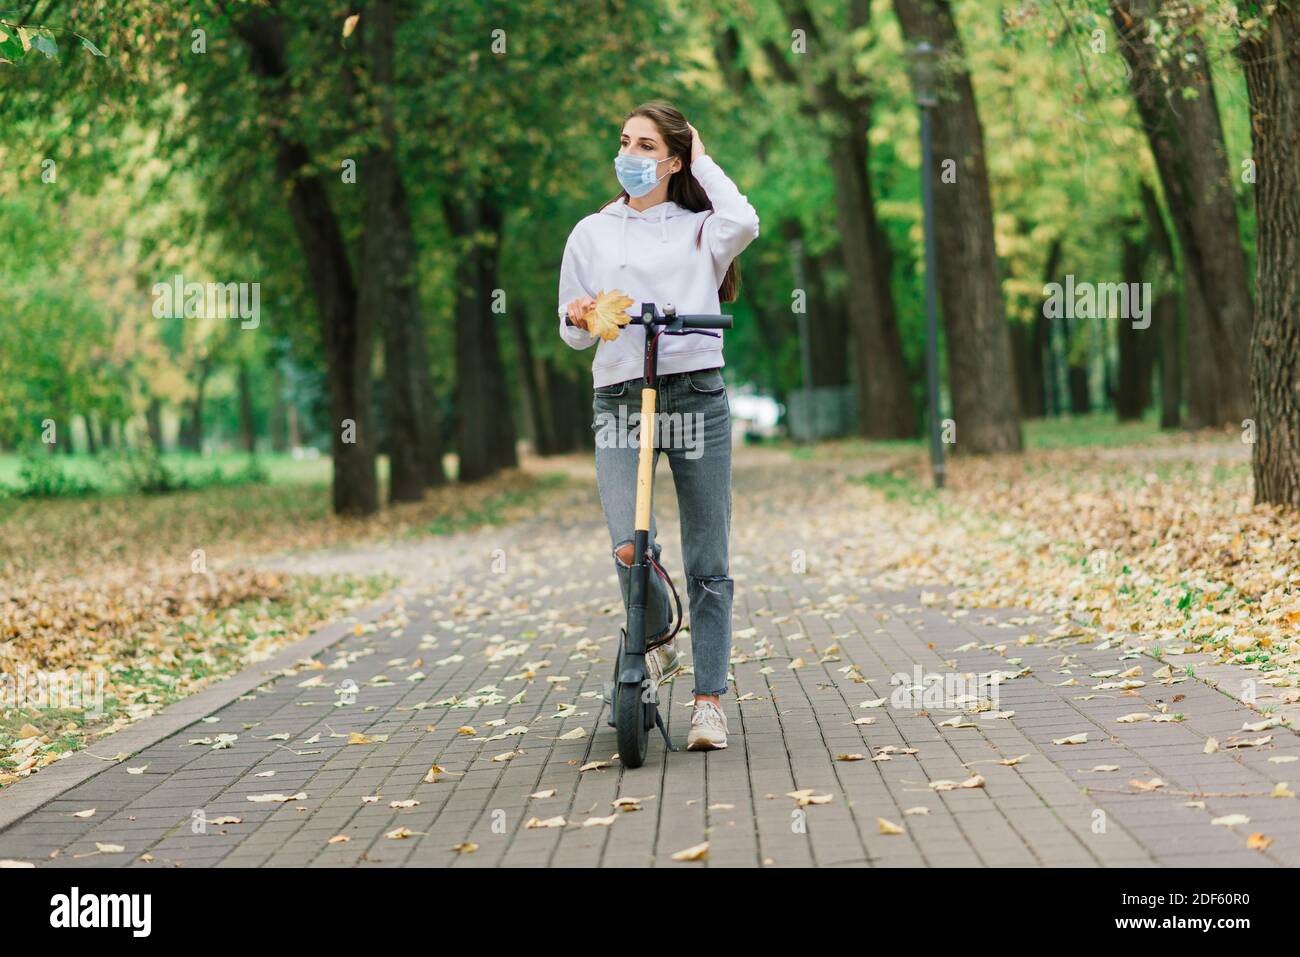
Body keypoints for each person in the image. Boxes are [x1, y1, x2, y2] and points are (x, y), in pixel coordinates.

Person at [557, 101, 760, 751]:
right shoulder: (592, 231)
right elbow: (568, 330)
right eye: (624, 142)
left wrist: (702, 153)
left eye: (647, 146)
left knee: (709, 559)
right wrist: (582, 311)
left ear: (673, 160)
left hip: (696, 395)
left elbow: (745, 219)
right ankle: (657, 631)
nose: (630, 156)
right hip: (621, 394)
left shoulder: (702, 228)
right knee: (628, 545)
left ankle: (708, 702)